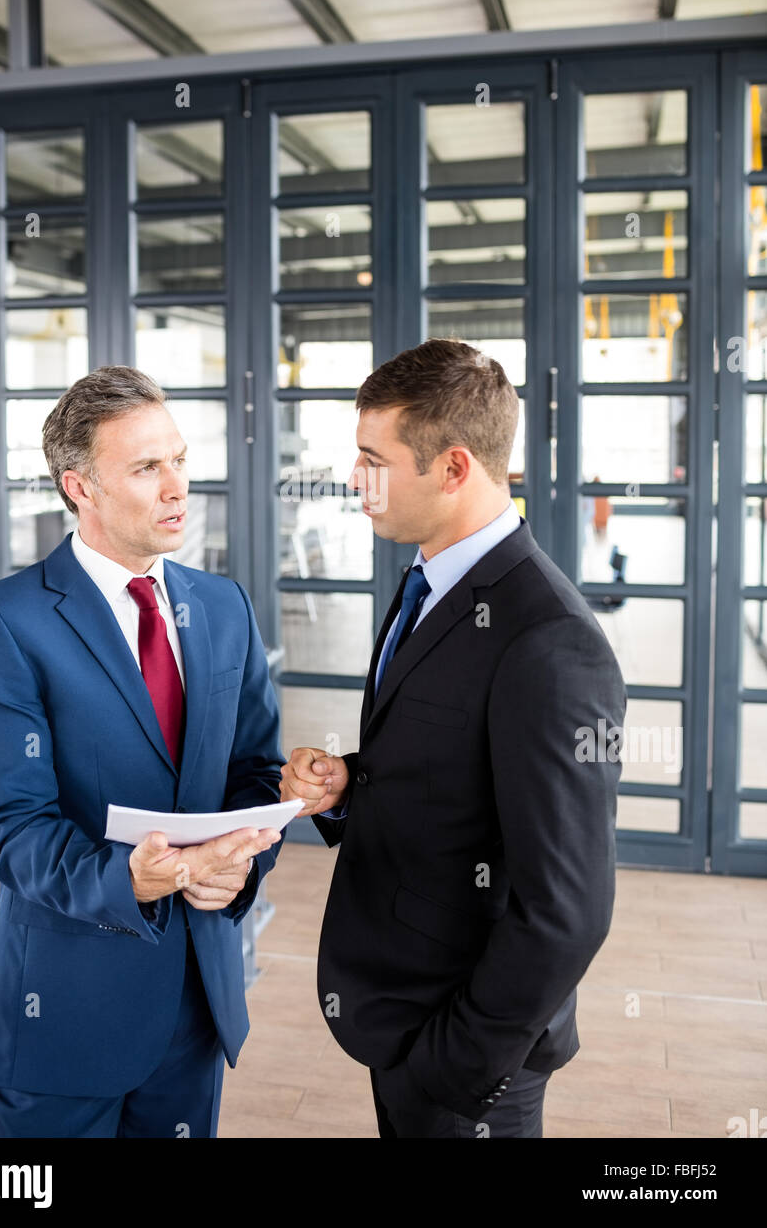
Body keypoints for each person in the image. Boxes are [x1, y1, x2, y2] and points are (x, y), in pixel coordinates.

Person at [280, 339, 626, 1139]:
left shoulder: (551, 641)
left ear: (454, 467)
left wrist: (454, 1064)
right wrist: (348, 784)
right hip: (403, 1020)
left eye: (374, 458)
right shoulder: (433, 580)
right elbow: (459, 766)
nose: (354, 478)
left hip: (466, 1066)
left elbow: (569, 909)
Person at [0, 366, 284, 1138]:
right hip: (66, 1021)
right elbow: (11, 828)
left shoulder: (223, 606)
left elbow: (253, 773)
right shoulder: (2, 622)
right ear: (81, 487)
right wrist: (124, 879)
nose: (177, 489)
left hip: (197, 1005)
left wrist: (237, 866)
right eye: (146, 468)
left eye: (179, 461)